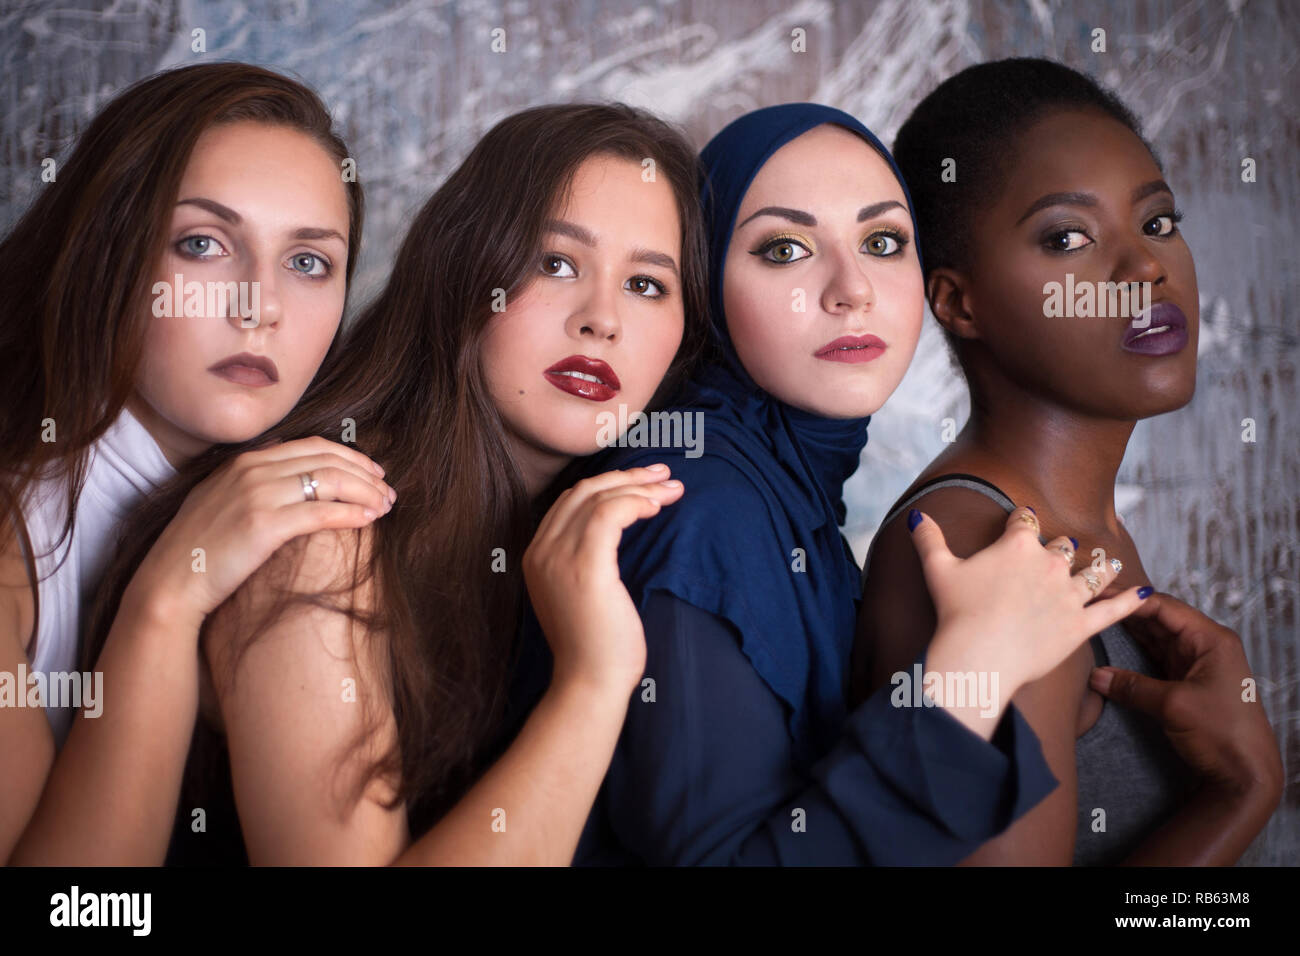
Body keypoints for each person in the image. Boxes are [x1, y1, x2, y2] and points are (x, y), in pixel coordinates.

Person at [510, 103, 1153, 866]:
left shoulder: (787, 498)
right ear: (702, 284)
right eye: (784, 249)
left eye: (883, 242)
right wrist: (966, 679)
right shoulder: (696, 505)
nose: (852, 289)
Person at [86, 102, 713, 865]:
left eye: (648, 285)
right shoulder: (322, 534)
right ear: (463, 271)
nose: (602, 320)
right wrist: (594, 684)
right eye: (555, 263)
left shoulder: (604, 533)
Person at [855, 58, 1283, 865]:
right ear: (957, 301)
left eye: (1157, 222)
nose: (1145, 269)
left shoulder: (1067, 525)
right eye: (1068, 238)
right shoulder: (993, 556)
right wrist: (1241, 796)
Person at [1, 63, 390, 865]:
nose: (261, 305)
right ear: (106, 252)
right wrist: (171, 596)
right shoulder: (13, 543)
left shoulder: (306, 499)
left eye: (309, 262)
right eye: (204, 244)